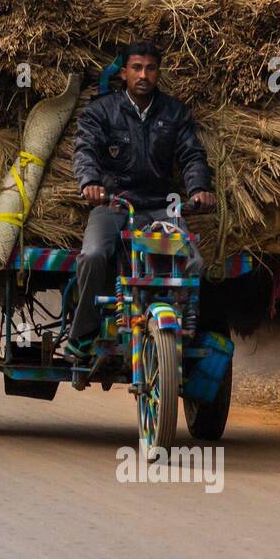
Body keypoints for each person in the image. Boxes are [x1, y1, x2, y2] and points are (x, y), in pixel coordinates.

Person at [68, 40, 217, 363]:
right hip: (113, 205)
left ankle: (183, 326)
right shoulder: (101, 111)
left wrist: (199, 189)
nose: (143, 75)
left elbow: (192, 155)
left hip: (161, 207)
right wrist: (90, 183)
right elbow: (85, 150)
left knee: (194, 262)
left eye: (150, 68)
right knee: (93, 256)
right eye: (136, 68)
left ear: (158, 72)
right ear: (124, 73)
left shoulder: (174, 112)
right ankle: (82, 335)